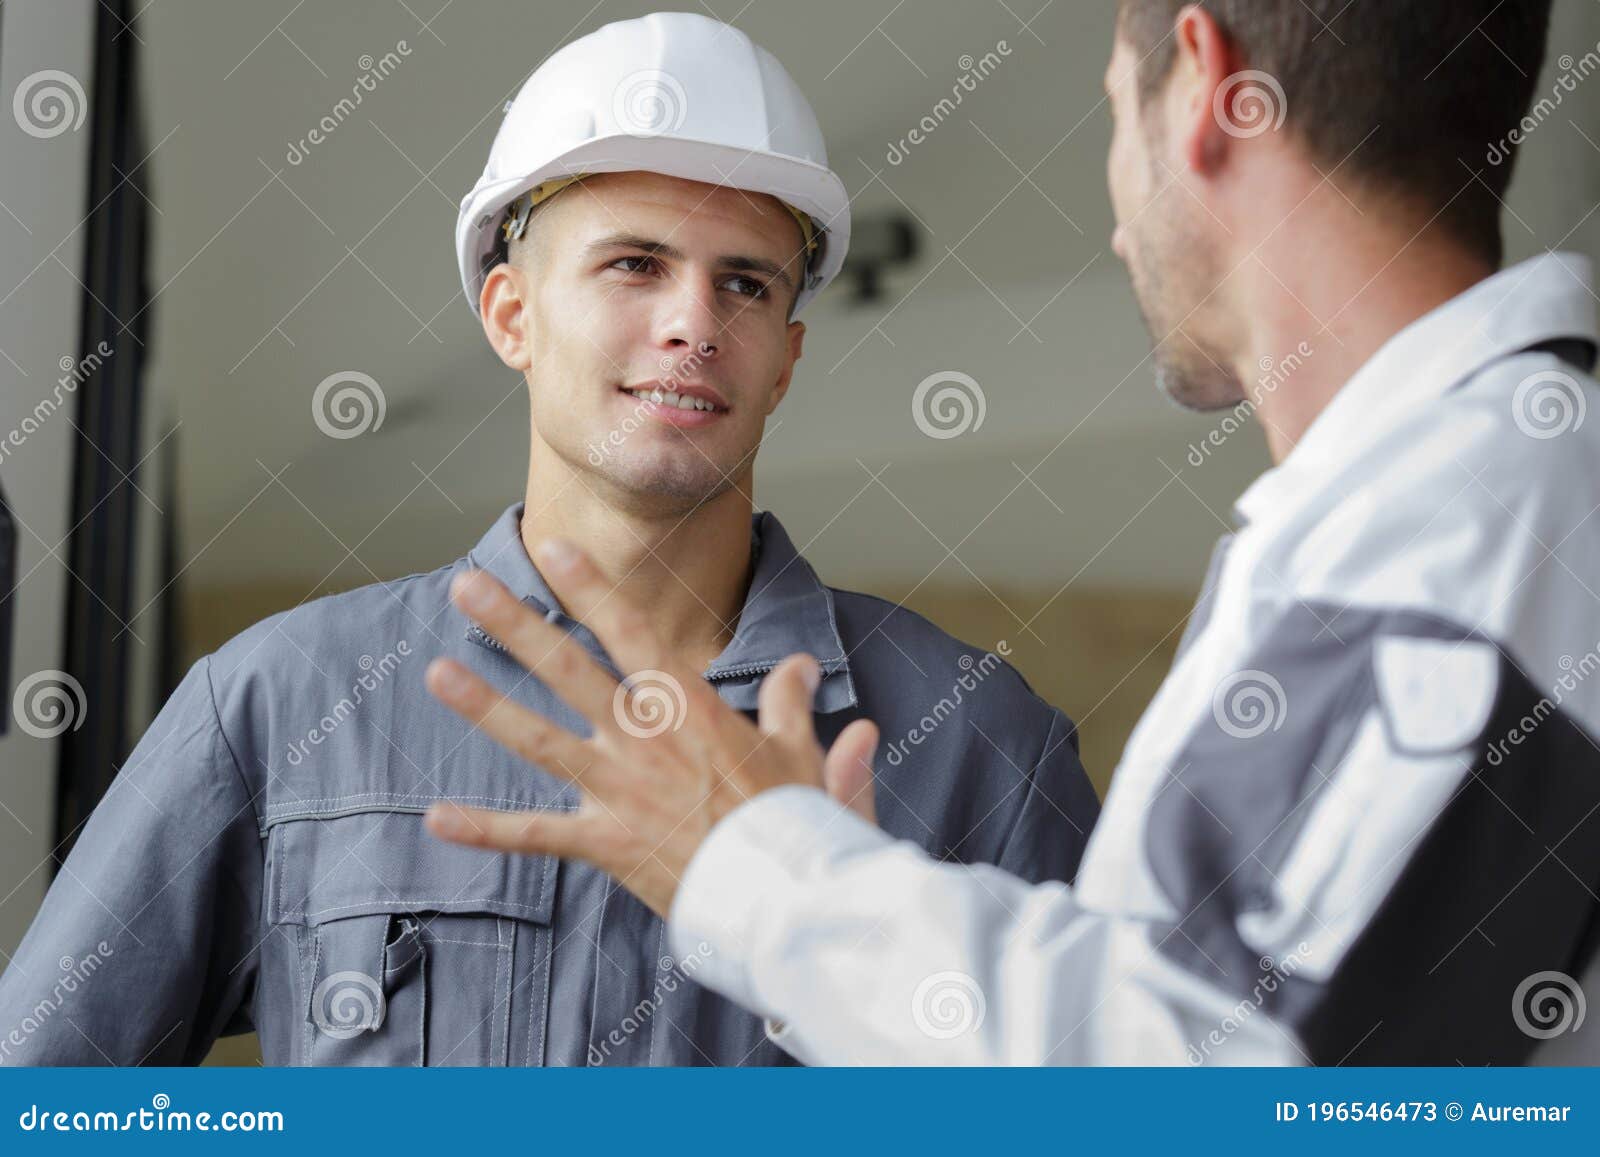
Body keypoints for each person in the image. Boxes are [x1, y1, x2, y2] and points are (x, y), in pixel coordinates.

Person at [425, 0, 1600, 1064]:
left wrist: (767, 875)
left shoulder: (1453, 546)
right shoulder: (1446, 514)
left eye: (1109, 115)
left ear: (1203, 87)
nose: (1117, 227)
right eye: (632, 263)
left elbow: (1222, 1090)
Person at [0, 12, 1099, 1066]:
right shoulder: (279, 707)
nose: (693, 323)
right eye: (633, 263)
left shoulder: (979, 746)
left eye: (745, 282)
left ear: (786, 354)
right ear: (511, 314)